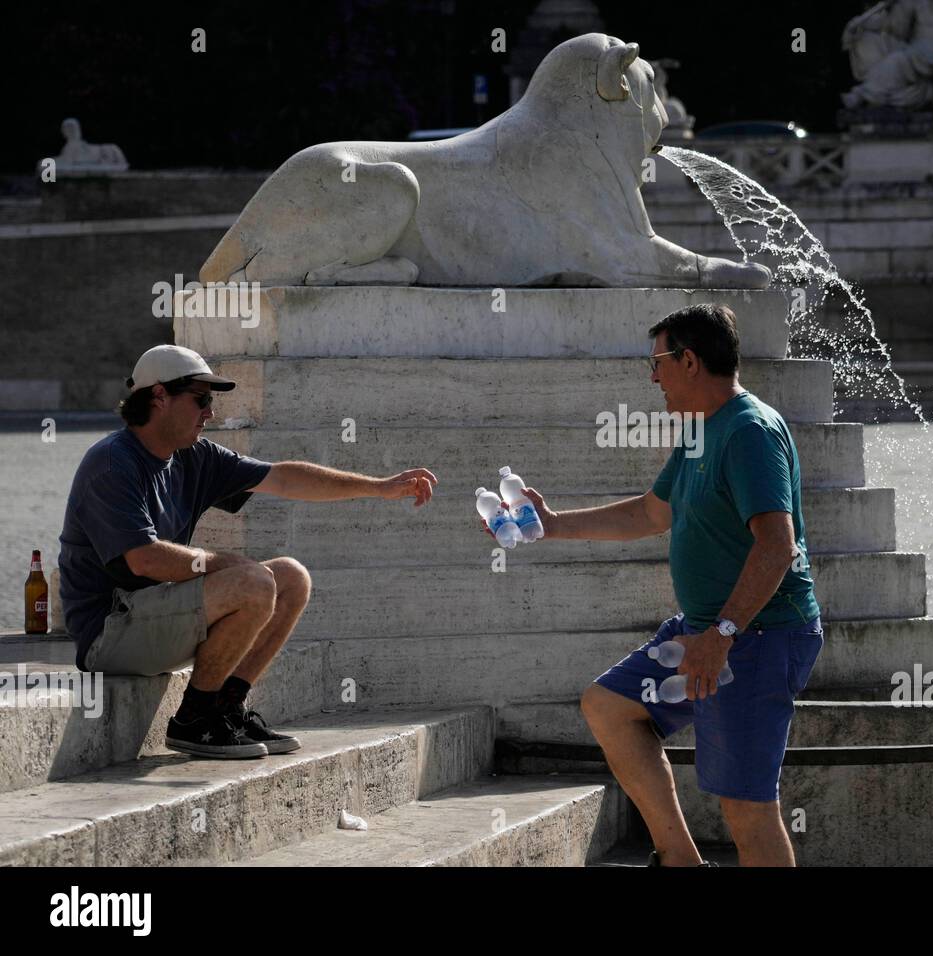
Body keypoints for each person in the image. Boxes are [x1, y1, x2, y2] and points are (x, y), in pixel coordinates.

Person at [492, 304, 823, 867]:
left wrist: (720, 636)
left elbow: (776, 546)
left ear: (689, 360)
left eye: (658, 362)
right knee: (610, 706)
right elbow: (650, 514)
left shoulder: (749, 432)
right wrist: (550, 525)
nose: (652, 377)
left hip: (756, 638)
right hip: (707, 632)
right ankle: (678, 859)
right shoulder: (701, 431)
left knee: (746, 808)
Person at [59, 345, 437, 759]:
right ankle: (193, 720)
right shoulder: (112, 463)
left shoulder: (194, 456)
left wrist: (378, 487)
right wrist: (227, 565)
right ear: (158, 397)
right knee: (253, 580)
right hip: (109, 634)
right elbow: (143, 558)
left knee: (291, 577)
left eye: (211, 402)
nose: (211, 413)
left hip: (154, 617)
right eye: (201, 399)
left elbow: (284, 479)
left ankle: (224, 708)